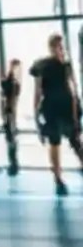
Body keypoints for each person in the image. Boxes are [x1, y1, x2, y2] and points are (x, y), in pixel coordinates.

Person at [30, 34, 83, 195]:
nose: (60, 49)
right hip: (52, 108)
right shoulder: (41, 66)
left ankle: (65, 173)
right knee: (55, 142)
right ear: (51, 47)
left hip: (66, 106)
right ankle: (58, 178)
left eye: (61, 46)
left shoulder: (66, 66)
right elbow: (37, 91)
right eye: (57, 46)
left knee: (75, 140)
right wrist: (36, 113)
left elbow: (73, 90)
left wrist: (76, 113)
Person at [0, 59, 23, 176]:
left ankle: (13, 164)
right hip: (10, 114)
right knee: (11, 139)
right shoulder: (12, 84)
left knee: (11, 140)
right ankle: (13, 164)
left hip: (10, 114)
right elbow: (10, 101)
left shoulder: (11, 83)